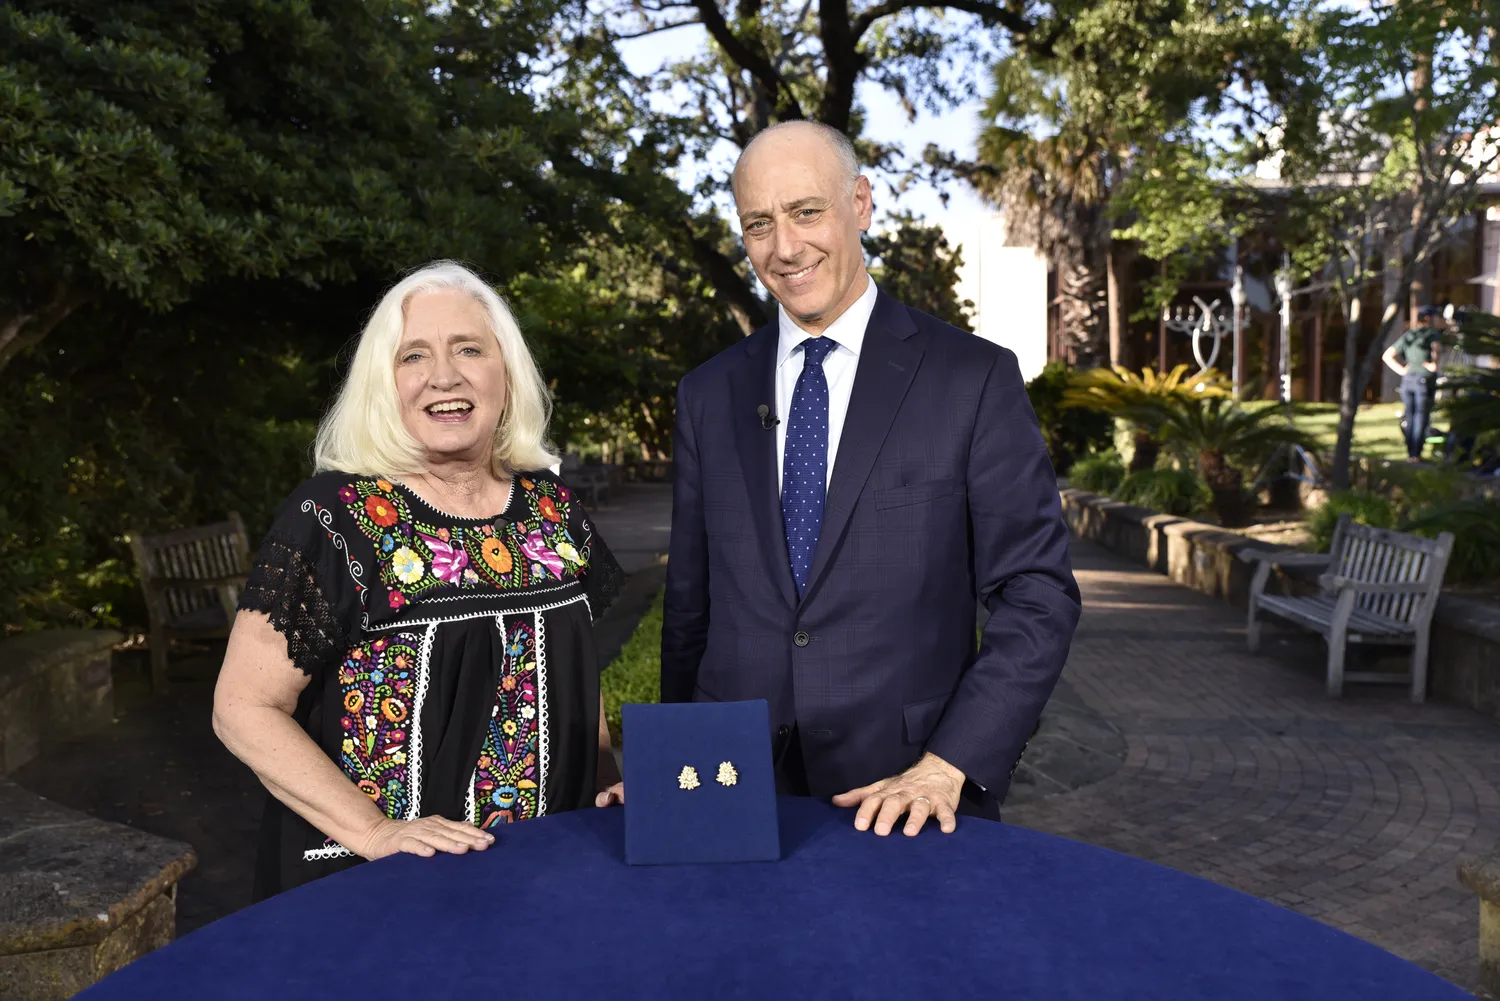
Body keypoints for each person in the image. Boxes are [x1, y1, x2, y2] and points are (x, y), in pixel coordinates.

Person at [660, 122, 1081, 838]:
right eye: (759, 223)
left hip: (906, 791)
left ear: (860, 203)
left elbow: (1036, 592)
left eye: (806, 211)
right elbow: (690, 608)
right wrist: (670, 769)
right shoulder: (708, 394)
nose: (785, 247)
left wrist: (951, 761)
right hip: (729, 792)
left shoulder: (971, 379)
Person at [213, 261, 624, 898]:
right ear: (385, 384)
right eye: (414, 356)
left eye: (469, 349)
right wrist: (376, 832)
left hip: (549, 872)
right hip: (384, 888)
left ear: (507, 376)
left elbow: (578, 672)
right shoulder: (335, 517)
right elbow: (243, 708)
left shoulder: (555, 509)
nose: (443, 376)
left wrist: (605, 779)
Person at [1383, 305, 1447, 463]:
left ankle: (1410, 453)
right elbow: (1436, 350)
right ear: (1428, 319)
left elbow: (1387, 355)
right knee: (1420, 416)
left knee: (1410, 416)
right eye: (1436, 317)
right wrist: (1434, 364)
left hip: (1408, 380)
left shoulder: (1409, 335)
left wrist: (1402, 371)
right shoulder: (1432, 334)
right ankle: (1416, 454)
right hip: (1423, 380)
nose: (1439, 320)